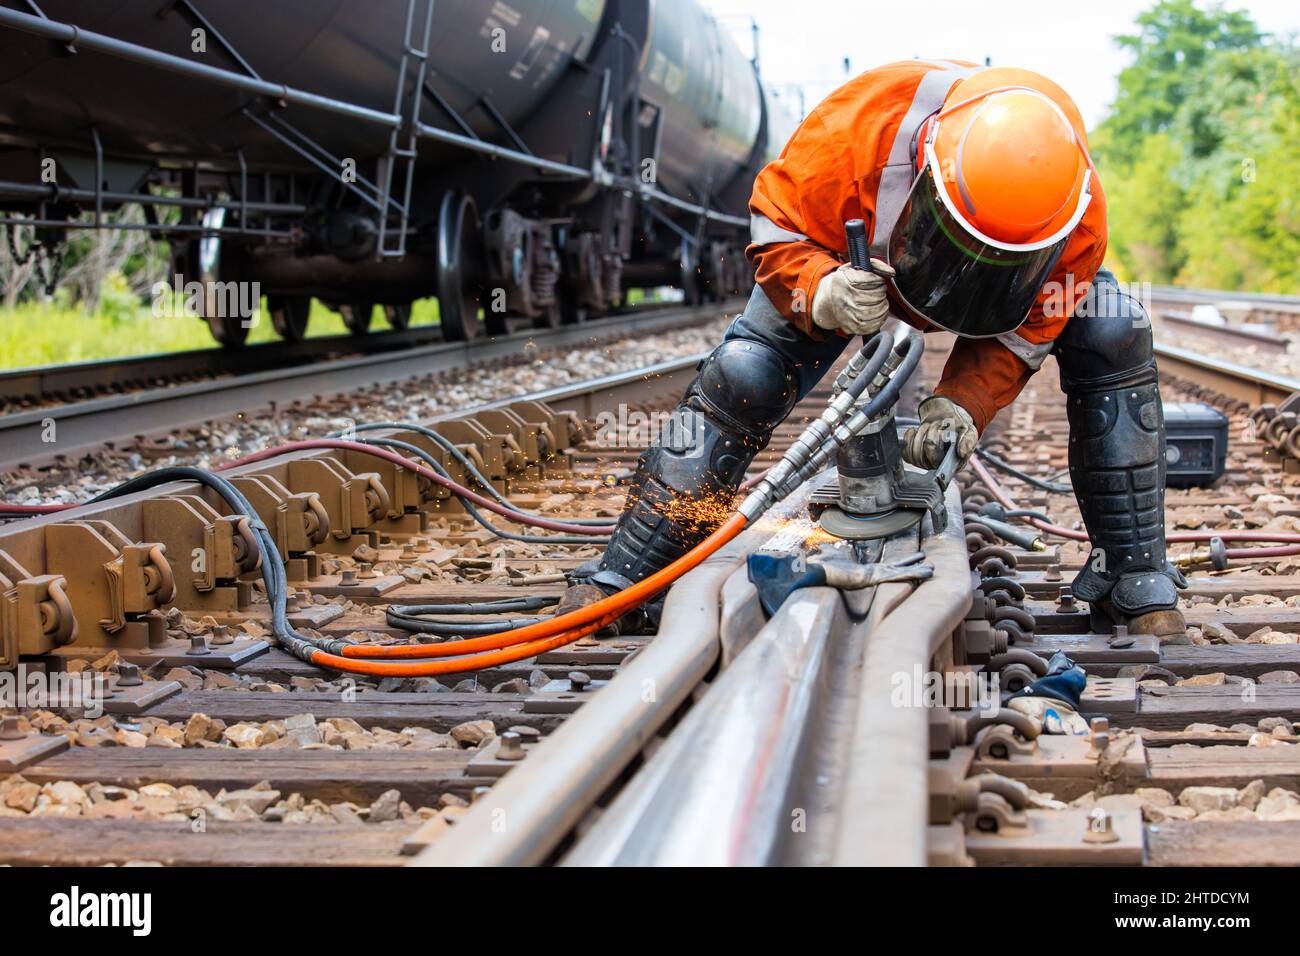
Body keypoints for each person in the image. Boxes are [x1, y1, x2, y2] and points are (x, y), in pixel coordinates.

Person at [566, 61, 1185, 639]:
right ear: (926, 171)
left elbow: (1033, 326)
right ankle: (631, 571)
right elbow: (777, 225)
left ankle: (1134, 574)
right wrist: (820, 290)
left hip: (973, 284)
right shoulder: (855, 131)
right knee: (745, 373)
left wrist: (964, 402)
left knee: (1112, 331)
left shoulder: (1076, 214)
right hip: (849, 270)